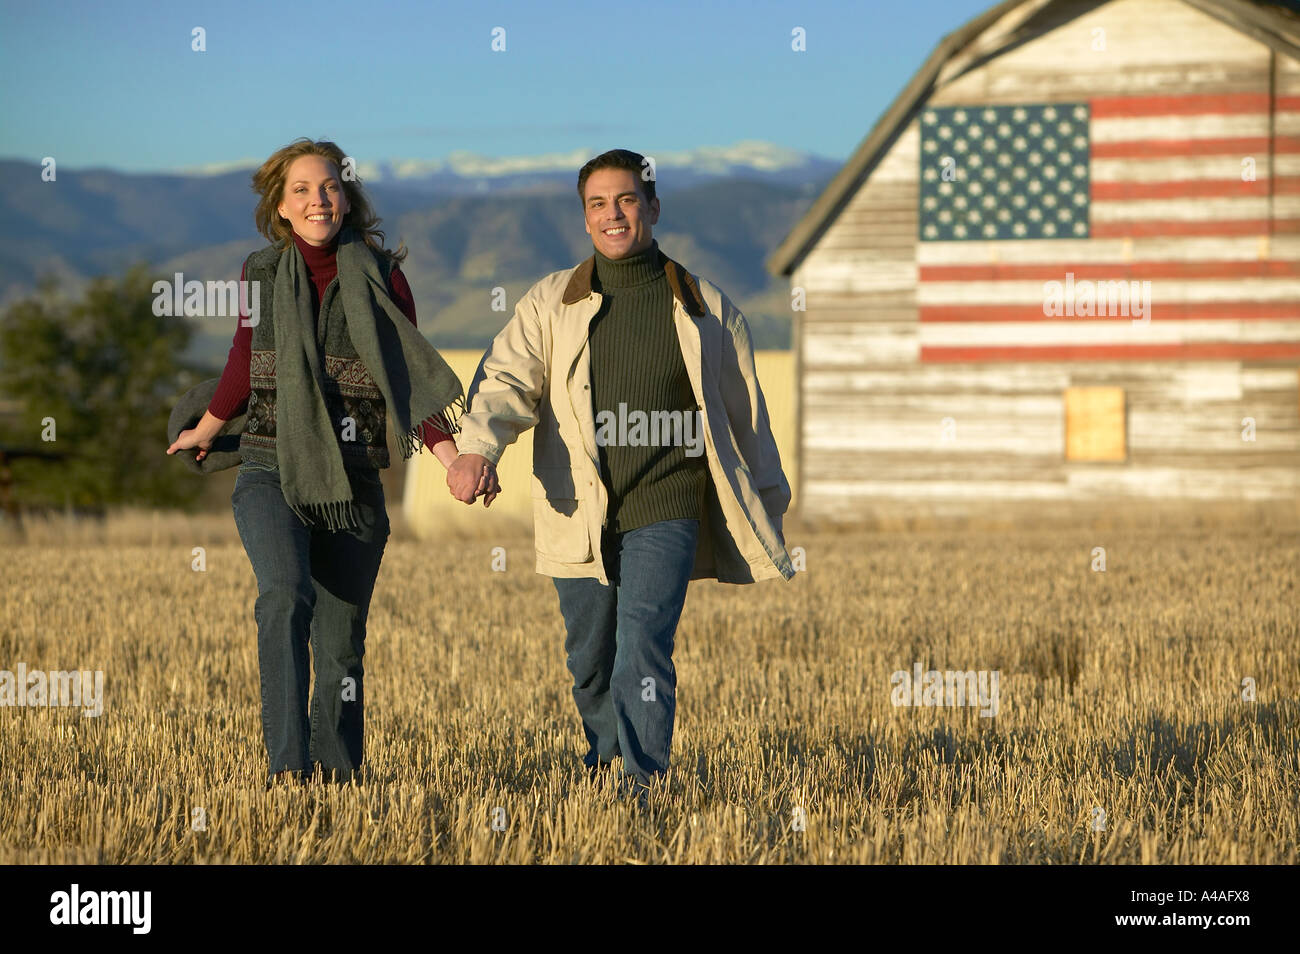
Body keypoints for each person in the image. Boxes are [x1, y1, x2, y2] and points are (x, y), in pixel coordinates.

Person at [447, 148, 793, 802]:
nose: (614, 214)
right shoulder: (552, 302)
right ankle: (605, 765)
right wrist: (478, 450)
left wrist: (770, 497)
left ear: (653, 208)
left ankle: (642, 790)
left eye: (627, 199)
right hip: (577, 503)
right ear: (584, 218)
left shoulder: (706, 307)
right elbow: (506, 381)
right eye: (599, 204)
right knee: (591, 662)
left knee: (643, 646)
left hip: (668, 500)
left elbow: (748, 410)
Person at [166, 138, 478, 786]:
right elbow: (241, 362)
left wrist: (452, 459)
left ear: (348, 195)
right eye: (303, 189)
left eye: (330, 186)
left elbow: (405, 376)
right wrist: (208, 426)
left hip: (356, 478)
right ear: (280, 205)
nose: (318, 199)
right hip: (269, 467)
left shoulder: (384, 277)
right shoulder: (260, 273)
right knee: (284, 596)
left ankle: (336, 784)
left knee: (340, 646)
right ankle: (288, 772)